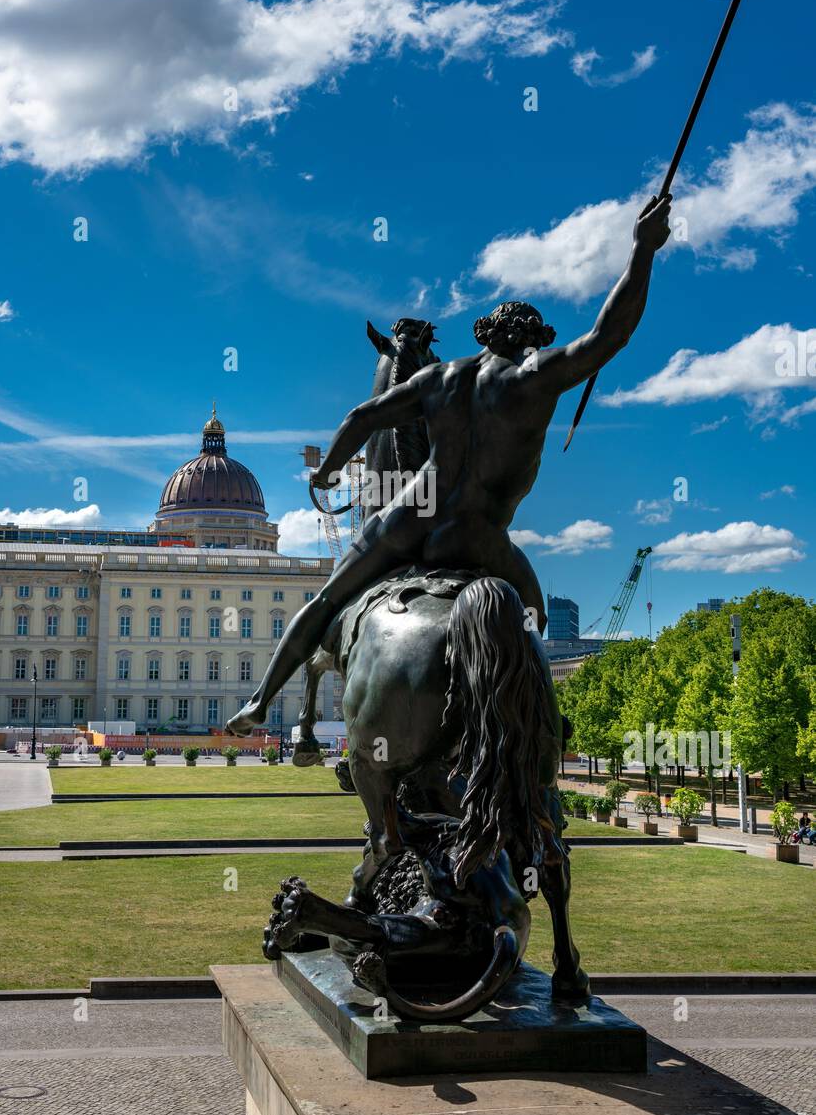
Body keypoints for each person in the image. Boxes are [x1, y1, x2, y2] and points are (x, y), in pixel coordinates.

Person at [227, 194, 672, 734]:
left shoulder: (439, 380)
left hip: (413, 515)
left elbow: (362, 416)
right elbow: (610, 335)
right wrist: (643, 250)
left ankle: (259, 699)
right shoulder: (533, 379)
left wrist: (328, 472)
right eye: (535, 342)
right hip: (479, 537)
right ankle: (548, 717)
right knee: (532, 612)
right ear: (522, 339)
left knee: (328, 599)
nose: (537, 351)